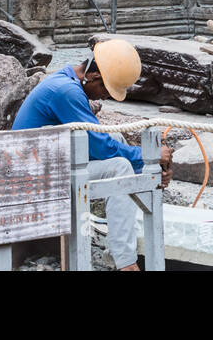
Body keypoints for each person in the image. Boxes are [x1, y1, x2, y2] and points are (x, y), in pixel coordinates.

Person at [11, 37, 173, 271]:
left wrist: (152, 166)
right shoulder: (66, 92)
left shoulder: (67, 80)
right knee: (120, 168)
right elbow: (99, 147)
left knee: (117, 140)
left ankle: (149, 178)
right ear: (94, 76)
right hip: (32, 177)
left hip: (47, 161)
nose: (105, 98)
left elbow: (101, 140)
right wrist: (148, 156)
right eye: (106, 91)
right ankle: (126, 262)